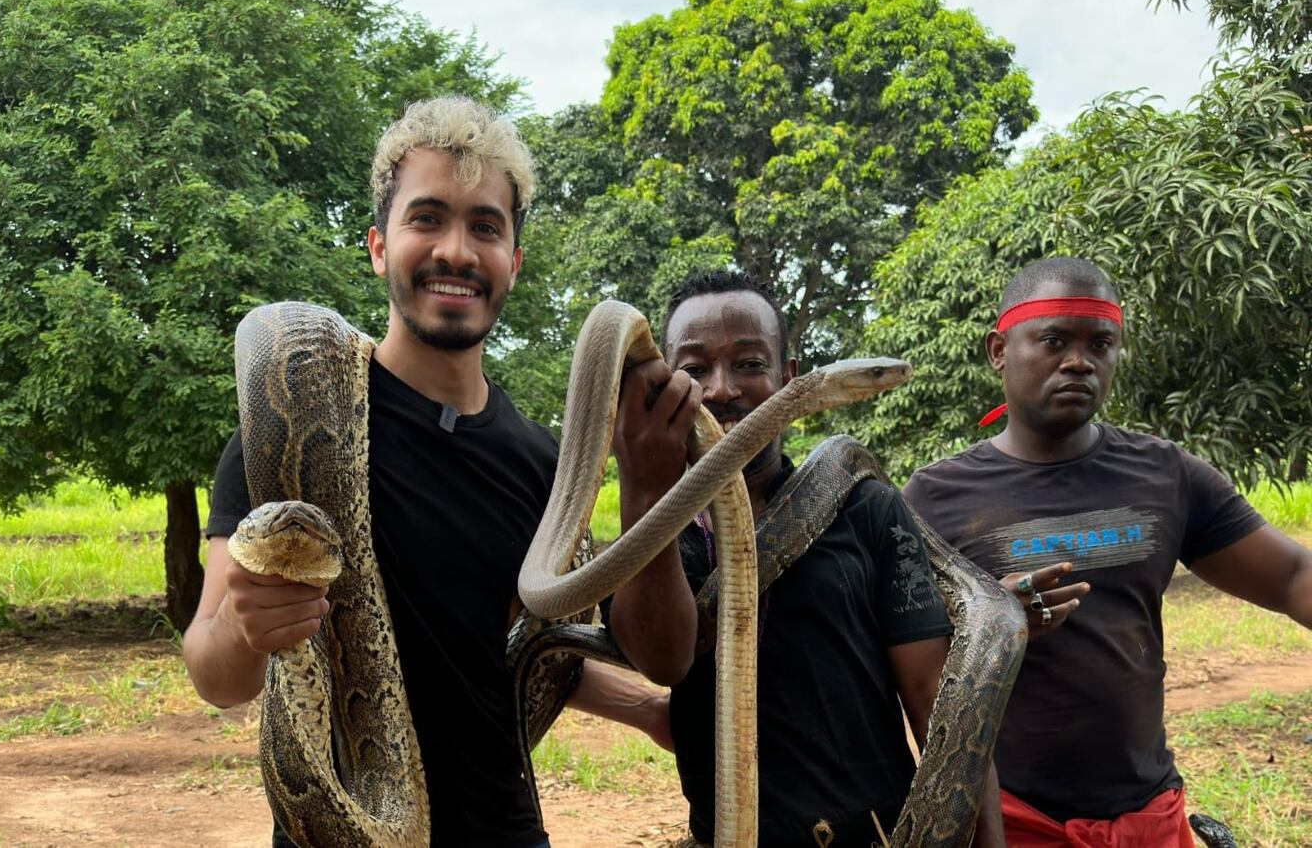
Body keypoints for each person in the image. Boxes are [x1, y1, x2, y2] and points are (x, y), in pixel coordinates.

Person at [181, 96, 668, 848]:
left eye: (485, 226)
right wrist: (248, 628)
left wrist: (649, 711)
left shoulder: (543, 463)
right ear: (379, 245)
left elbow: (514, 660)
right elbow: (216, 675)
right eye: (427, 217)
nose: (456, 251)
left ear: (514, 260)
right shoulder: (281, 422)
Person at [902, 256, 1312, 848]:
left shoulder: (1166, 475)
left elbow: (1292, 574)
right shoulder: (933, 498)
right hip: (1008, 819)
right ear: (998, 350)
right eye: (1053, 340)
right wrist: (994, 620)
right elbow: (906, 662)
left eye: (1101, 343)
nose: (1079, 361)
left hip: (1148, 816)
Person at [609, 270, 1005, 848]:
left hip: (874, 834)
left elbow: (937, 697)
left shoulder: (865, 508)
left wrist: (990, 841)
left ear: (789, 378)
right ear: (664, 383)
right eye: (693, 370)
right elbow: (663, 661)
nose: (721, 389)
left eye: (750, 363)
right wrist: (643, 490)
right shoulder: (660, 534)